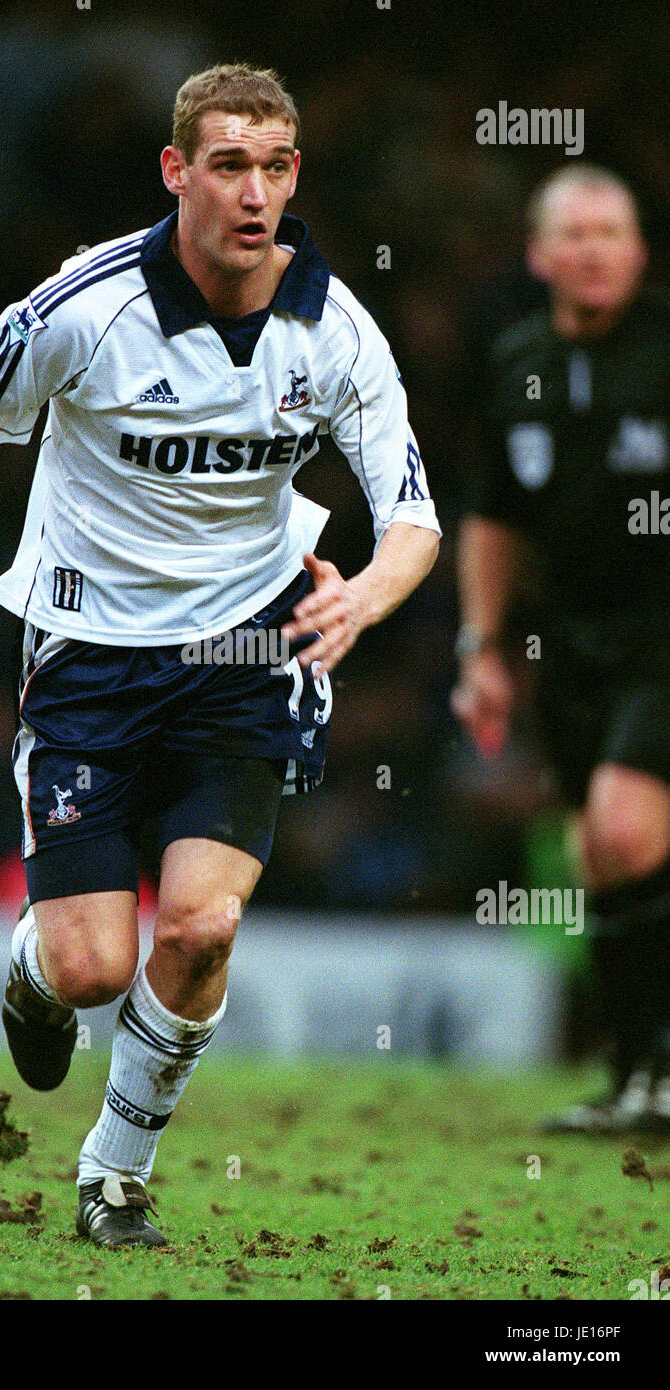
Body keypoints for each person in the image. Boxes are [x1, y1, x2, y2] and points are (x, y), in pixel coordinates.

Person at [0, 64, 440, 1244]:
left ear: (295, 176)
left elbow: (412, 517)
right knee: (91, 967)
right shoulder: (90, 306)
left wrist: (370, 595)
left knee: (199, 930)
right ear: (176, 171)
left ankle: (111, 1173)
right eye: (228, 163)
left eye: (275, 166)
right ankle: (33, 970)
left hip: (242, 655)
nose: (254, 191)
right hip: (88, 655)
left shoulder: (334, 328)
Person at [453, 164, 670, 1132]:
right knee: (599, 854)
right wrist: (481, 646)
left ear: (637, 249)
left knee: (624, 831)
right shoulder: (516, 360)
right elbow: (492, 517)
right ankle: (639, 1082)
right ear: (539, 253)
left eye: (611, 232)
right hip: (573, 646)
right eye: (573, 234)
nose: (594, 249)